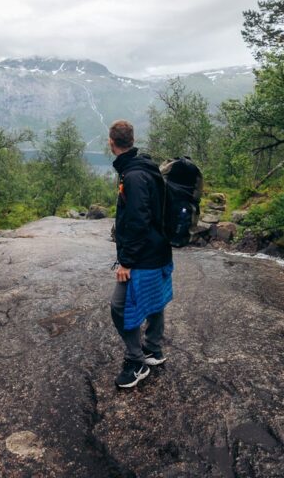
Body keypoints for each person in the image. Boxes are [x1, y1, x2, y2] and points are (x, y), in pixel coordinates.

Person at [107, 119, 174, 388]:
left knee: (119, 307)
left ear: (112, 143)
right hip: (159, 249)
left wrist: (126, 261)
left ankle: (136, 362)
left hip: (143, 255)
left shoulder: (133, 175)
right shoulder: (146, 167)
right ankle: (153, 349)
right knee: (155, 301)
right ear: (132, 141)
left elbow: (137, 221)